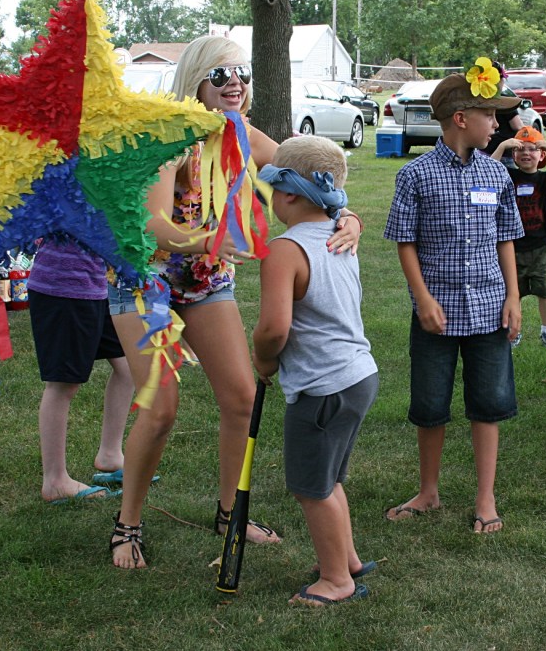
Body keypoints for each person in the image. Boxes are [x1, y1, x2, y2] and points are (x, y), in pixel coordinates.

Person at [107, 35, 362, 569]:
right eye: (221, 75)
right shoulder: (169, 138)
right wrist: (209, 240)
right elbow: (152, 226)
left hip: (203, 281)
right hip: (143, 281)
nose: (236, 84)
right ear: (195, 81)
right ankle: (127, 524)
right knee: (160, 406)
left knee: (242, 399)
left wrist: (346, 215)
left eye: (241, 73)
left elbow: (307, 171)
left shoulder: (241, 133)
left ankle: (229, 513)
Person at [383, 67, 523, 535]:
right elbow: (405, 241)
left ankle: (486, 498)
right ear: (461, 118)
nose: (496, 125)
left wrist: (514, 298)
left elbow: (506, 238)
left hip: (487, 310)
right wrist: (421, 298)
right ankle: (428, 491)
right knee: (430, 404)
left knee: (489, 403)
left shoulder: (496, 173)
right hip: (436, 314)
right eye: (489, 115)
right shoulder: (415, 176)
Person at [252, 136, 379, 607]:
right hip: (357, 375)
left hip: (322, 385)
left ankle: (335, 580)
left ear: (285, 194)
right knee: (331, 479)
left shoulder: (284, 250)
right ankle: (346, 559)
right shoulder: (340, 234)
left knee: (311, 488)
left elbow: (273, 328)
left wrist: (263, 359)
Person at [28, 238, 135, 503]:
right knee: (63, 383)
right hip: (64, 288)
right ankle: (54, 481)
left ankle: (110, 455)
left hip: (96, 286)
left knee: (129, 366)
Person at [491, 126, 546, 349]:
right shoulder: (509, 176)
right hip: (512, 245)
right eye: (520, 149)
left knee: (545, 290)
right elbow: (490, 169)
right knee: (513, 291)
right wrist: (502, 147)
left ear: (541, 155)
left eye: (533, 149)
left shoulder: (544, 179)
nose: (526, 153)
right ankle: (514, 331)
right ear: (513, 155)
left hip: (540, 244)